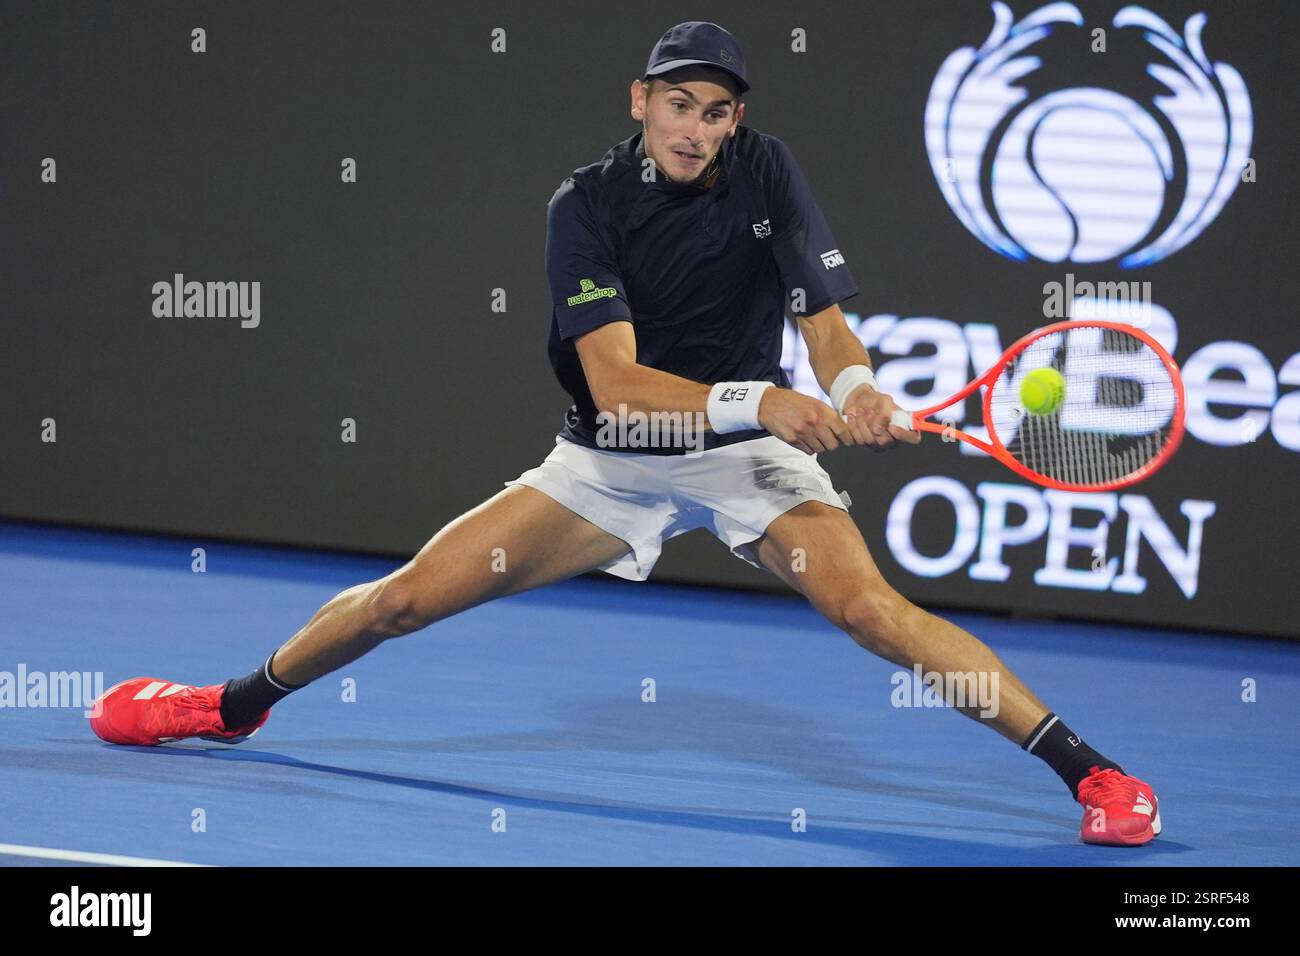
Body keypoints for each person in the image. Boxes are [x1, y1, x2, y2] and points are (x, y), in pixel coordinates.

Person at [90, 21, 1160, 847]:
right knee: (407, 596)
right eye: (680, 105)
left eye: (718, 112)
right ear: (641, 101)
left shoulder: (767, 172)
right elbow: (614, 387)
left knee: (873, 611)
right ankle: (229, 704)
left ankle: (1093, 773)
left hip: (748, 464)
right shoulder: (585, 205)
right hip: (611, 462)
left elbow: (823, 321)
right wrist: (762, 399)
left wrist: (860, 383)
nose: (698, 128)